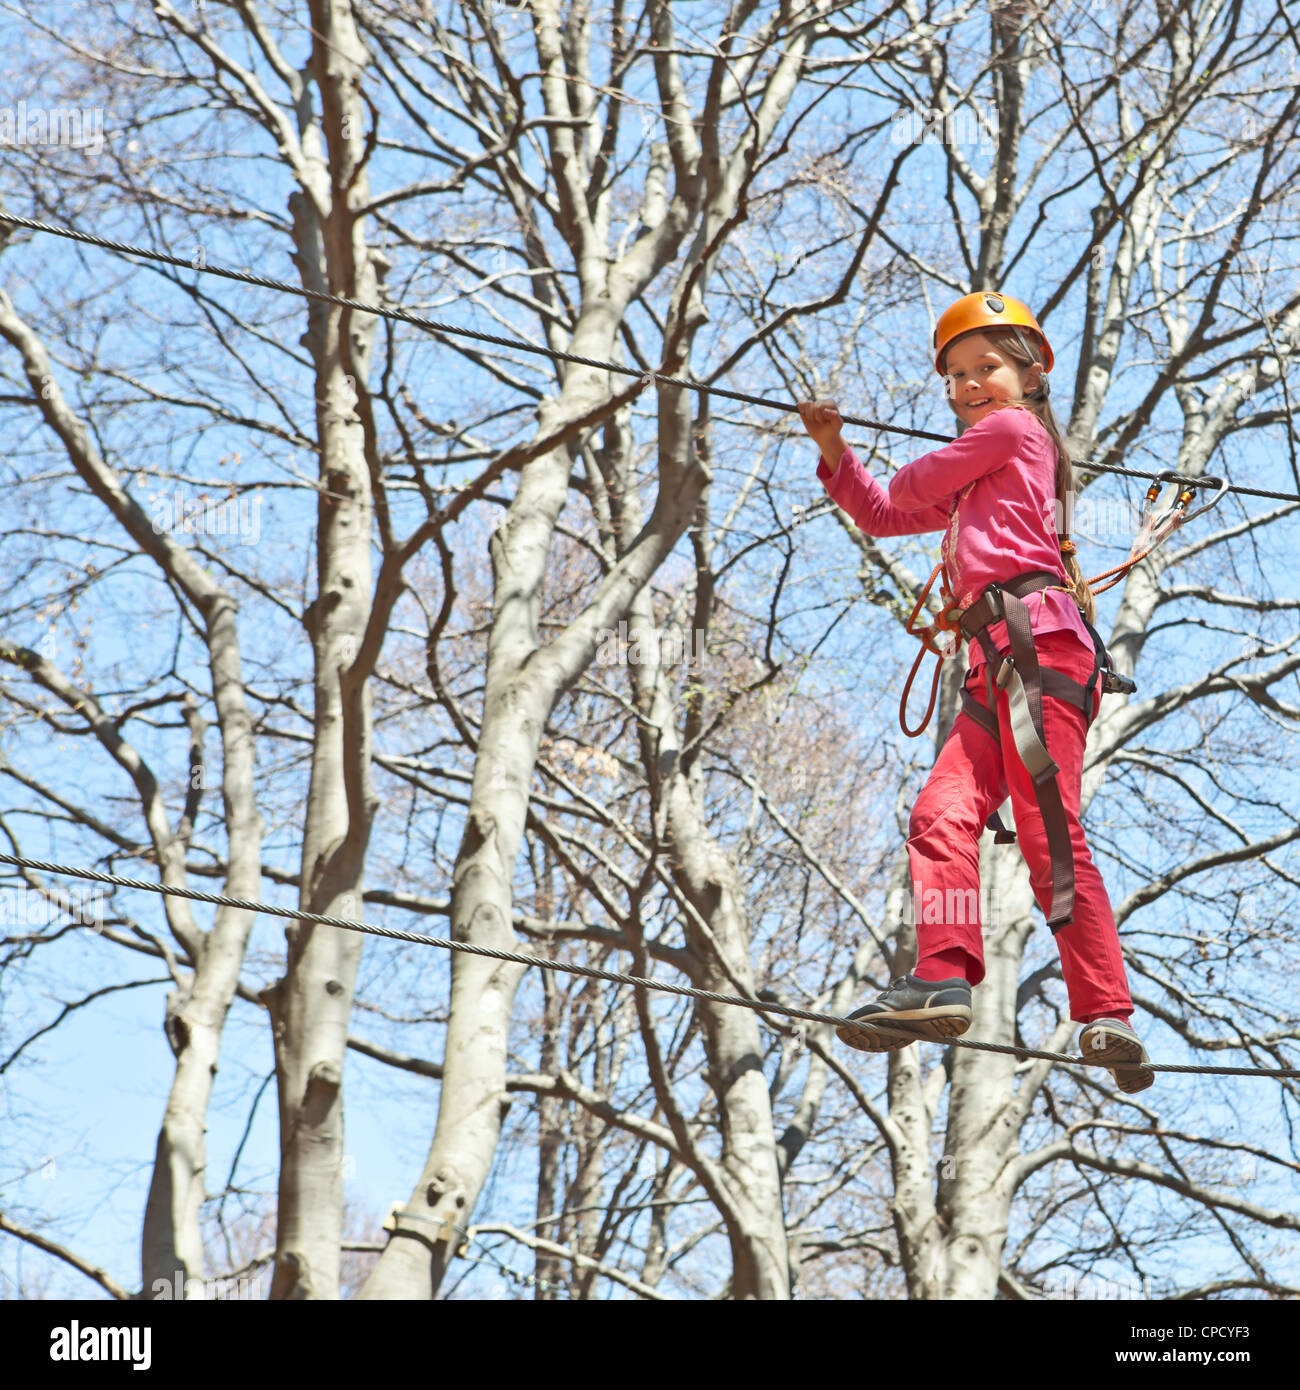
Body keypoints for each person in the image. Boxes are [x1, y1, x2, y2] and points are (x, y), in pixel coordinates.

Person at [798, 290, 1153, 1094]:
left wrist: (906, 470)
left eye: (983, 369)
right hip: (989, 667)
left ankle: (1108, 1010)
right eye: (955, 377)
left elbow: (917, 478)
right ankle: (942, 974)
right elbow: (886, 513)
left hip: (1040, 649)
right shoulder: (979, 476)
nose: (967, 388)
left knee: (1046, 828)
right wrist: (834, 451)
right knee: (940, 814)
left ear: (1030, 375)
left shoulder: (1012, 431)